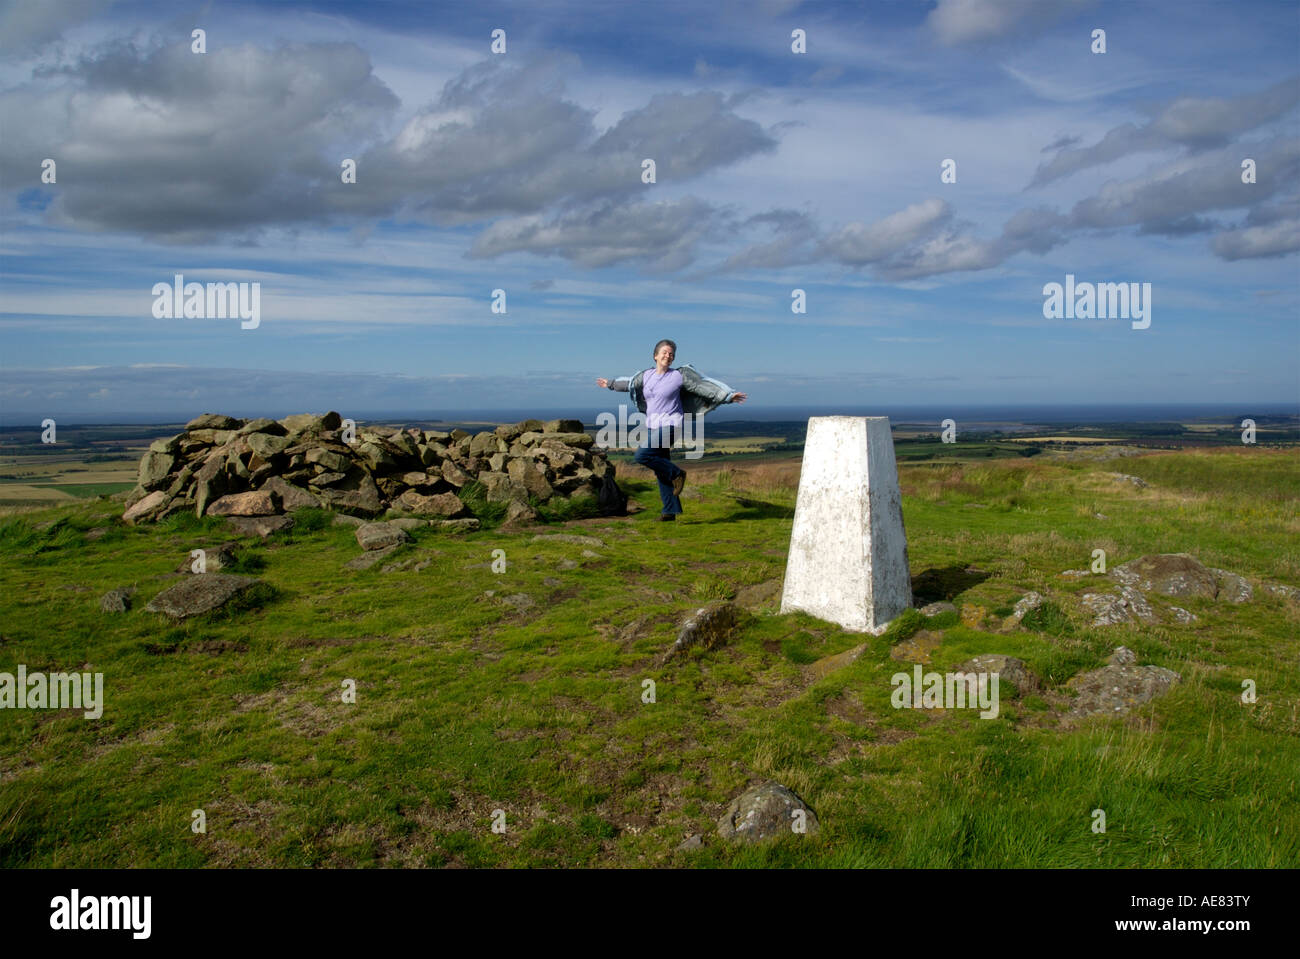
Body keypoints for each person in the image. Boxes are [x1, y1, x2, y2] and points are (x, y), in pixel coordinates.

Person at [596, 339, 747, 521]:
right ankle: (670, 511)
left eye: (671, 354)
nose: (668, 356)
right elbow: (629, 384)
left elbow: (703, 385)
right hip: (653, 426)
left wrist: (728, 396)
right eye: (665, 352)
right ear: (655, 356)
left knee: (642, 455)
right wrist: (610, 384)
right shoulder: (646, 376)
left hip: (671, 425)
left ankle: (677, 473)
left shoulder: (677, 376)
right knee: (661, 471)